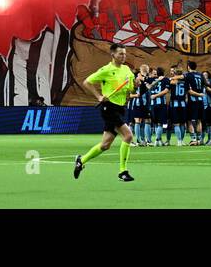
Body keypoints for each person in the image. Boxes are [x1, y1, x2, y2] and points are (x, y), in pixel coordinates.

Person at [73, 45, 135, 182]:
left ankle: (81, 160)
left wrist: (131, 87)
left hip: (120, 107)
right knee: (128, 135)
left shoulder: (126, 70)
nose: (123, 56)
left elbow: (130, 87)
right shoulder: (106, 70)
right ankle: (123, 171)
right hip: (109, 107)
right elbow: (87, 82)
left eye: (124, 54)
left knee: (105, 145)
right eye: (120, 54)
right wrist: (99, 96)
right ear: (113, 55)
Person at [184, 61, 206, 145]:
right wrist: (200, 94)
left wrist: (197, 93)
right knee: (199, 120)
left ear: (189, 67)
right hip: (200, 101)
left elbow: (189, 91)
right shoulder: (200, 75)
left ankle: (193, 139)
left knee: (189, 120)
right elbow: (205, 85)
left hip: (192, 101)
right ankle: (199, 139)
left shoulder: (188, 75)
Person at [149, 67, 171, 146]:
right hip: (161, 103)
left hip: (152, 104)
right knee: (160, 123)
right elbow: (166, 91)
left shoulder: (152, 80)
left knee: (155, 123)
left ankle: (159, 139)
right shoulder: (166, 80)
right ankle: (157, 140)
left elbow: (148, 87)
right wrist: (156, 95)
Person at [169, 64, 189, 145]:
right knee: (182, 123)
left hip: (175, 104)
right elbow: (187, 92)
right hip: (183, 104)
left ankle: (179, 140)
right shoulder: (185, 82)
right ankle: (182, 140)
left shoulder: (172, 81)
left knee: (176, 124)